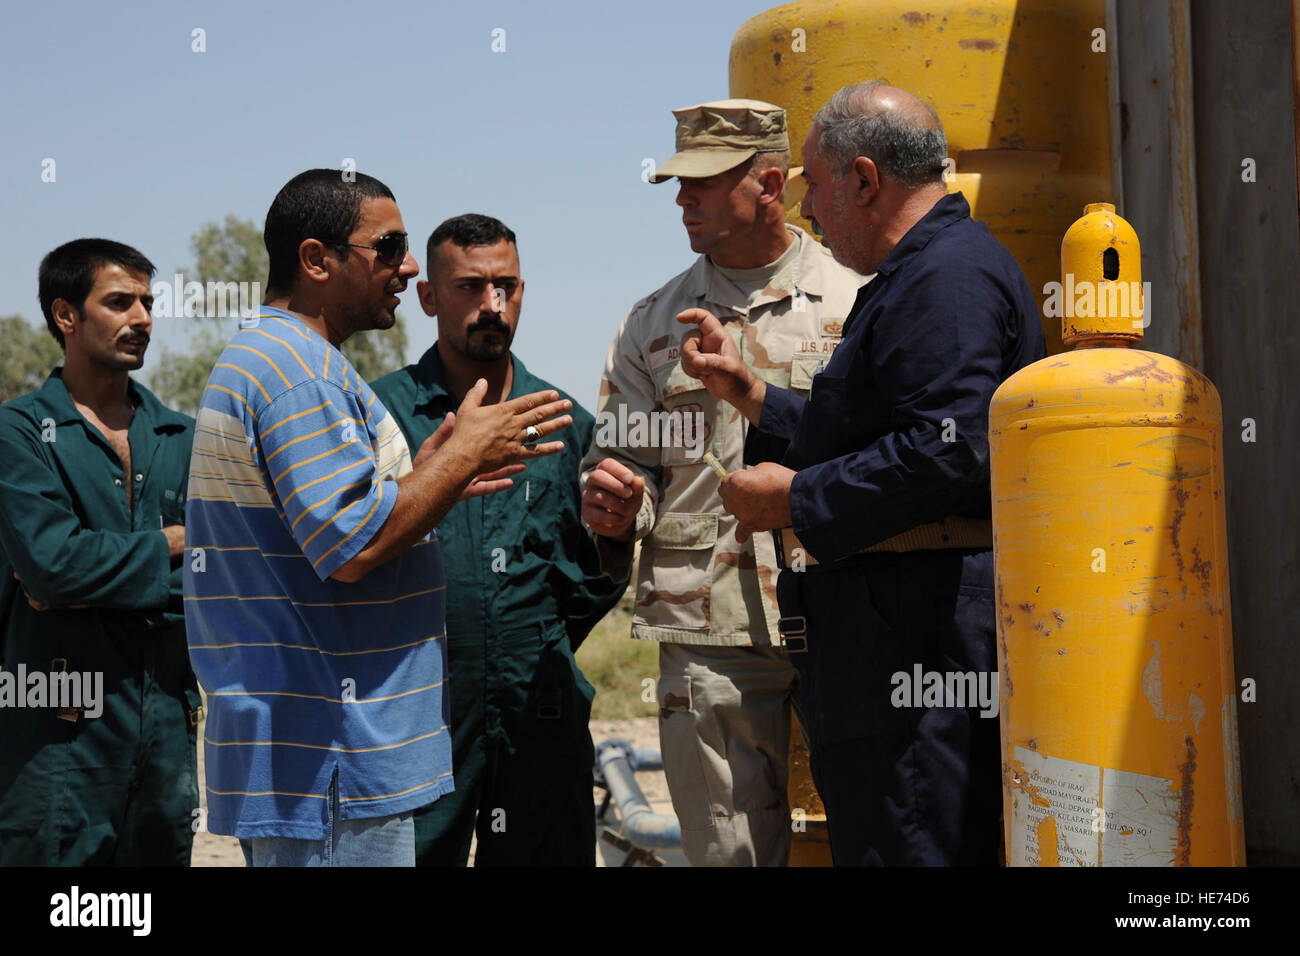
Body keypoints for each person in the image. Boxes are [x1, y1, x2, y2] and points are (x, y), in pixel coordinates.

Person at [678, 82, 1046, 865]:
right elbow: (874, 433)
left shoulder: (945, 280)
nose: (808, 211)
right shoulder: (923, 274)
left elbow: (948, 449)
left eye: (814, 183)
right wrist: (749, 392)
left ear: (866, 179)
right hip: (896, 644)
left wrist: (797, 499)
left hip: (917, 650)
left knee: (915, 845)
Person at [183, 170, 572, 867]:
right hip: (330, 754)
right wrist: (456, 464)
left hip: (315, 754)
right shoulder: (300, 373)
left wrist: (429, 476)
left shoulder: (281, 359)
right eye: (388, 246)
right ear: (315, 260)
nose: (409, 265)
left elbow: (336, 525)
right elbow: (352, 547)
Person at [580, 99, 865, 866]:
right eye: (679, 183)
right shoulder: (651, 325)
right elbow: (626, 462)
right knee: (727, 857)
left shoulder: (857, 303)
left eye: (703, 183)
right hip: (709, 634)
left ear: (770, 182)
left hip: (849, 612)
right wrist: (615, 506)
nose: (682, 201)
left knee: (882, 839)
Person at [370, 213, 624, 866]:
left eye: (505, 286)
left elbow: (595, 574)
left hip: (538, 717)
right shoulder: (377, 416)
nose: (492, 305)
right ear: (428, 297)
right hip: (413, 718)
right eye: (470, 287)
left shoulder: (563, 424)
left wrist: (535, 641)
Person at [0, 238, 197, 865]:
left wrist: (89, 577)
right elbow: (52, 566)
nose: (141, 318)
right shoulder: (20, 431)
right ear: (66, 316)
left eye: (147, 302)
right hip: (53, 731)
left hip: (165, 727)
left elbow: (221, 573)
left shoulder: (183, 437)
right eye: (119, 302)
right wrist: (174, 541)